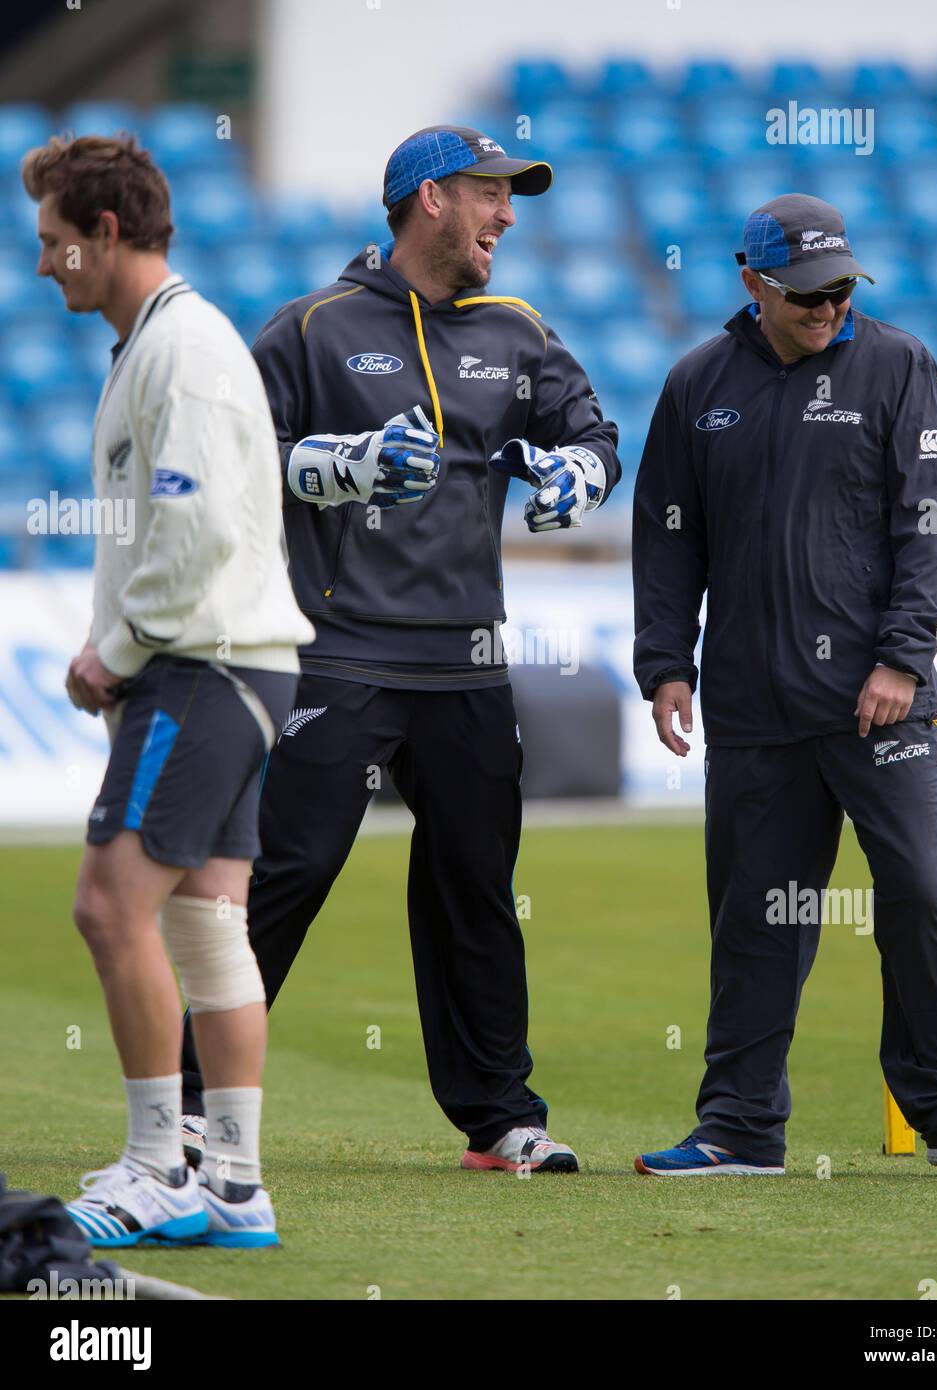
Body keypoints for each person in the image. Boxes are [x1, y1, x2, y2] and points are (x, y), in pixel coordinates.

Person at [179, 125, 621, 1174]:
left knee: (477, 883)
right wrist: (335, 463)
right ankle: (190, 1104)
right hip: (335, 652)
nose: (506, 217)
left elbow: (596, 434)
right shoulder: (312, 327)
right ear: (430, 199)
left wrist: (575, 477)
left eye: (511, 198)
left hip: (468, 658)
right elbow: (226, 458)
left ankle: (500, 1117)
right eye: (490, 196)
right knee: (286, 869)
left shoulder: (518, 329)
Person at [631, 193, 937, 1177]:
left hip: (879, 699)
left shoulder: (898, 365)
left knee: (916, 899)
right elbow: (666, 540)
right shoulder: (695, 384)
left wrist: (902, 656)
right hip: (750, 704)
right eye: (807, 295)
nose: (826, 310)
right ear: (750, 282)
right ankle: (737, 1127)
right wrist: (662, 663)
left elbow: (921, 524)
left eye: (841, 290)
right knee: (756, 916)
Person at [23, 133, 319, 1244]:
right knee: (205, 925)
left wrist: (120, 646)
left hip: (202, 663)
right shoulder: (160, 342)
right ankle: (234, 1186)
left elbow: (190, 531)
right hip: (229, 663)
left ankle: (159, 1164)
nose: (43, 262)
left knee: (109, 906)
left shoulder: (180, 350)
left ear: (105, 233)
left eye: (54, 242)